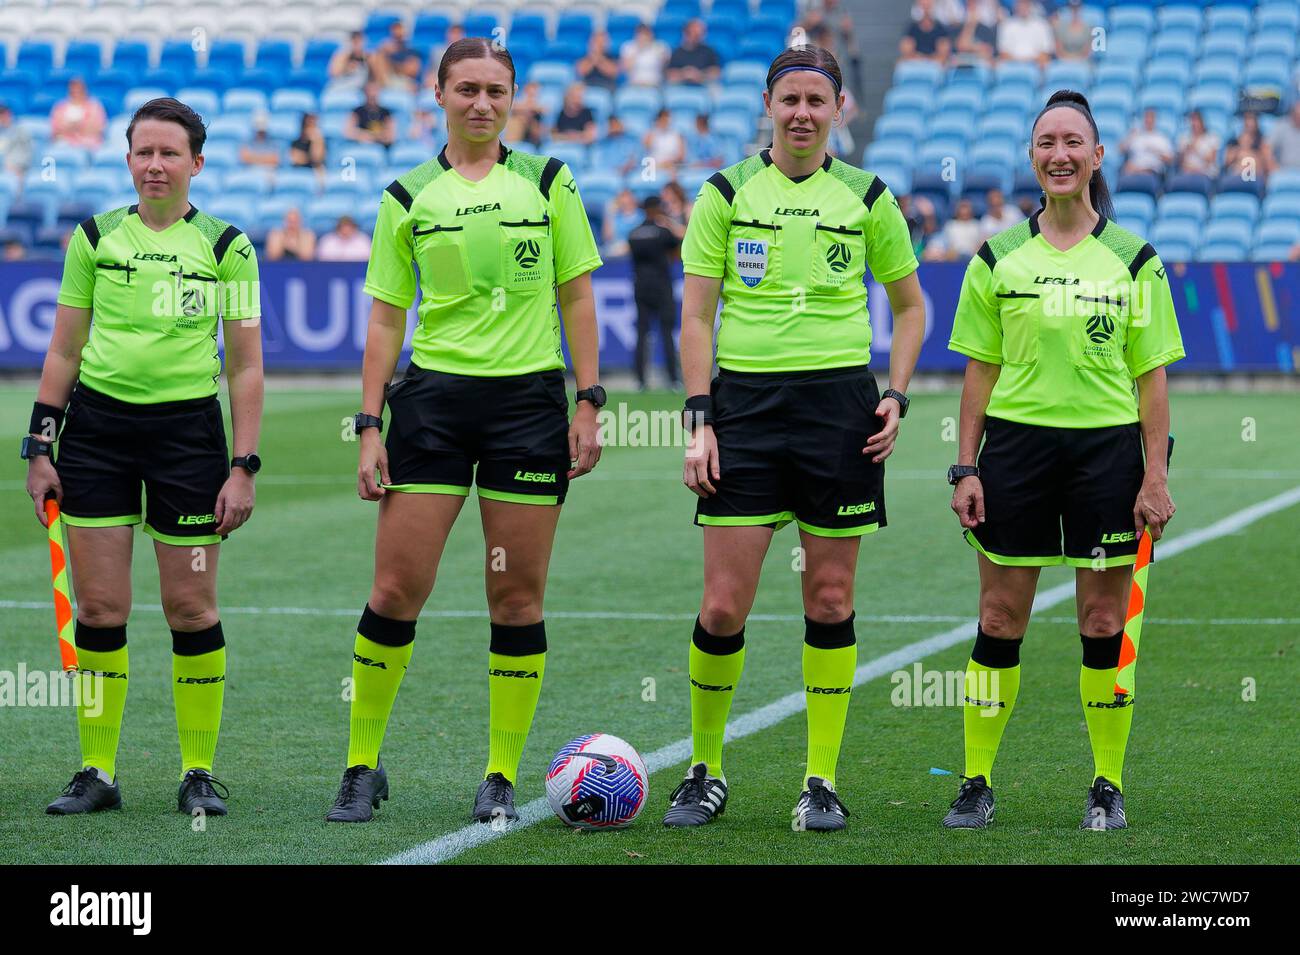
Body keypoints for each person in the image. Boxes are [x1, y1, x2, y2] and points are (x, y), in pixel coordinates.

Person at [325, 37, 604, 825]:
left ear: (513, 97)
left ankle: (499, 774)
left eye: (496, 89)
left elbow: (577, 296)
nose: (482, 102)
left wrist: (589, 399)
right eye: (467, 89)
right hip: (434, 407)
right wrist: (370, 424)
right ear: (439, 96)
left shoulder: (549, 181)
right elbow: (386, 317)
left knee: (515, 596)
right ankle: (361, 765)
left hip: (525, 407)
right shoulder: (406, 194)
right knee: (395, 589)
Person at [669, 45, 925, 832]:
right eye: (791, 99)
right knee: (721, 605)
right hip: (743, 409)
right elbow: (698, 317)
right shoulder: (724, 192)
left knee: (831, 595)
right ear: (768, 107)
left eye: (818, 99)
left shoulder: (870, 197)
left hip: (839, 411)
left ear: (839, 108)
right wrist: (699, 418)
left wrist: (898, 395)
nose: (804, 113)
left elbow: (912, 307)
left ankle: (821, 779)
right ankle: (705, 767)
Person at [944, 90, 1184, 832]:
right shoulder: (995, 257)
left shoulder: (1136, 260)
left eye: (1073, 142)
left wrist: (1154, 474)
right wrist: (966, 466)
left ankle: (1105, 784)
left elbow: (1151, 380)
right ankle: (976, 780)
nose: (1060, 154)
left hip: (1106, 453)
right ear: (1032, 155)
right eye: (1047, 141)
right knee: (999, 613)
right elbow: (979, 372)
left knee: (1103, 615)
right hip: (1014, 449)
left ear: (1097, 155)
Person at [24, 97, 263, 817]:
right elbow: (64, 349)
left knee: (189, 606)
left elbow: (247, 367)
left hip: (188, 438)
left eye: (169, 153)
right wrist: (40, 446)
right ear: (127, 159)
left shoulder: (228, 246)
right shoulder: (94, 237)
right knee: (98, 606)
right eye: (142, 153)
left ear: (196, 162)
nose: (154, 165)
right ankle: (97, 770)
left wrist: (243, 464)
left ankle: (197, 771)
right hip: (96, 433)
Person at [628, 195, 684, 390]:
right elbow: (678, 249)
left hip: (641, 286)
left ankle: (640, 380)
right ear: (657, 209)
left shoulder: (633, 234)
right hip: (661, 285)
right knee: (666, 332)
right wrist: (668, 223)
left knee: (642, 333)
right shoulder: (663, 232)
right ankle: (673, 379)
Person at [50, 77, 107, 149]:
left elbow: (98, 129)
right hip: (65, 143)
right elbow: (55, 131)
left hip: (88, 144)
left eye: (79, 89)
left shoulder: (94, 106)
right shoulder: (60, 107)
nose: (76, 92)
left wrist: (77, 126)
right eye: (73, 89)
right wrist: (73, 127)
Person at [1224, 111, 1276, 185]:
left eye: (1252, 119)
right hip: (1235, 176)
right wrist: (1242, 147)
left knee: (1250, 159)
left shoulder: (1262, 142)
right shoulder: (1234, 140)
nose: (1250, 123)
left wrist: (1249, 153)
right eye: (1247, 119)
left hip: (1257, 177)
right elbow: (1226, 161)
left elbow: (1269, 165)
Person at [998, 0, 1054, 66]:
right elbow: (1003, 52)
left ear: (1031, 6)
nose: (1023, 7)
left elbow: (1046, 52)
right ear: (1016, 6)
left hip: (1036, 64)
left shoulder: (1042, 25)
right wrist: (1020, 61)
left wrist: (1031, 60)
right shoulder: (1006, 25)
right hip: (1012, 64)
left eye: (1026, 4)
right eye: (1021, 4)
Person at [667, 19, 721, 87]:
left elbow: (716, 72)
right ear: (685, 33)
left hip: (704, 84)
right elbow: (669, 74)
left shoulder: (709, 51)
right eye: (693, 33)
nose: (697, 37)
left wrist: (700, 74)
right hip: (682, 85)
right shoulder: (677, 52)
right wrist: (684, 74)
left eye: (700, 34)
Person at [1120, 109, 1175, 177]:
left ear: (1155, 119)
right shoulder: (1136, 136)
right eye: (1146, 117)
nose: (1149, 120)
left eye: (1151, 117)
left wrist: (1155, 151)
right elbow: (1120, 149)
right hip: (1134, 169)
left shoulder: (1162, 138)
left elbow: (1170, 160)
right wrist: (1130, 136)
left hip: (1152, 170)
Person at [345, 82, 396, 151]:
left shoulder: (386, 112)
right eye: (370, 91)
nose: (372, 94)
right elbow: (348, 132)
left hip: (382, 147)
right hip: (361, 146)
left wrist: (377, 137)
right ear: (365, 93)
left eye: (375, 91)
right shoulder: (357, 111)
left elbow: (391, 135)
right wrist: (363, 135)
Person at [621, 22, 670, 88]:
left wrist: (654, 49)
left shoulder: (660, 46)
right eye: (641, 34)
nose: (643, 37)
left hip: (655, 84)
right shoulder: (628, 46)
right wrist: (639, 49)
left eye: (646, 34)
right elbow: (626, 68)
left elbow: (666, 67)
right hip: (634, 84)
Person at [1175, 109, 1221, 178]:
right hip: (1187, 172)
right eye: (1192, 121)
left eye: (1196, 121)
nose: (1194, 124)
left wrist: (1196, 149)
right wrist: (1184, 152)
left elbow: (1211, 160)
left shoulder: (1212, 137)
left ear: (1202, 122)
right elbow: (1180, 162)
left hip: (1205, 173)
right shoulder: (1184, 138)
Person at [643, 108, 685, 175]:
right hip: (655, 165)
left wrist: (670, 161)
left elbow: (681, 155)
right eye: (664, 119)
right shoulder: (651, 134)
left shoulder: (677, 135)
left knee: (673, 169)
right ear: (658, 120)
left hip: (672, 164)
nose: (666, 121)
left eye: (668, 119)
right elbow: (644, 149)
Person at [602, 187, 641, 255]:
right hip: (616, 250)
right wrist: (610, 214)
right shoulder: (615, 217)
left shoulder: (642, 216)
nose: (625, 201)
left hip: (636, 248)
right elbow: (607, 237)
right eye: (622, 197)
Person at [0, 102, 34, 175]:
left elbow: (28, 153)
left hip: (18, 168)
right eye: (0, 115)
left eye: (4, 114)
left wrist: (17, 165)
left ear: (9, 114)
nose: (2, 117)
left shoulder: (21, 132)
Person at [1267, 101, 1300, 170]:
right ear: (1292, 114)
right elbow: (1267, 148)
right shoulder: (1281, 126)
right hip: (1283, 171)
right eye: (1297, 115)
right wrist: (1273, 166)